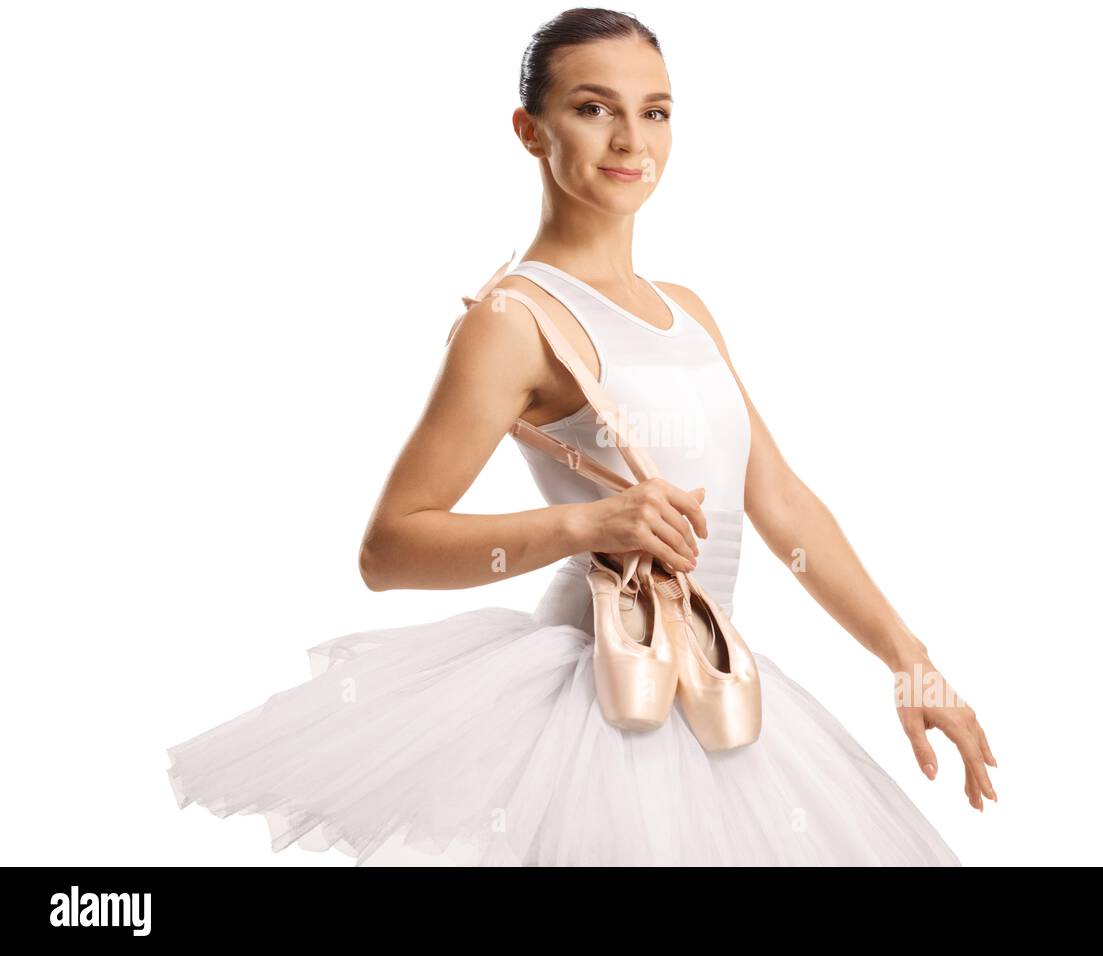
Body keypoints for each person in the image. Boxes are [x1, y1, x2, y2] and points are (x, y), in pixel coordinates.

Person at [165, 7, 995, 866]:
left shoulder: (689, 309)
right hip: (597, 707)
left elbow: (778, 500)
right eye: (593, 108)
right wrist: (590, 525)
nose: (631, 137)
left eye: (656, 110)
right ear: (531, 130)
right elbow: (390, 549)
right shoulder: (513, 320)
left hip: (715, 690)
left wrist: (909, 659)